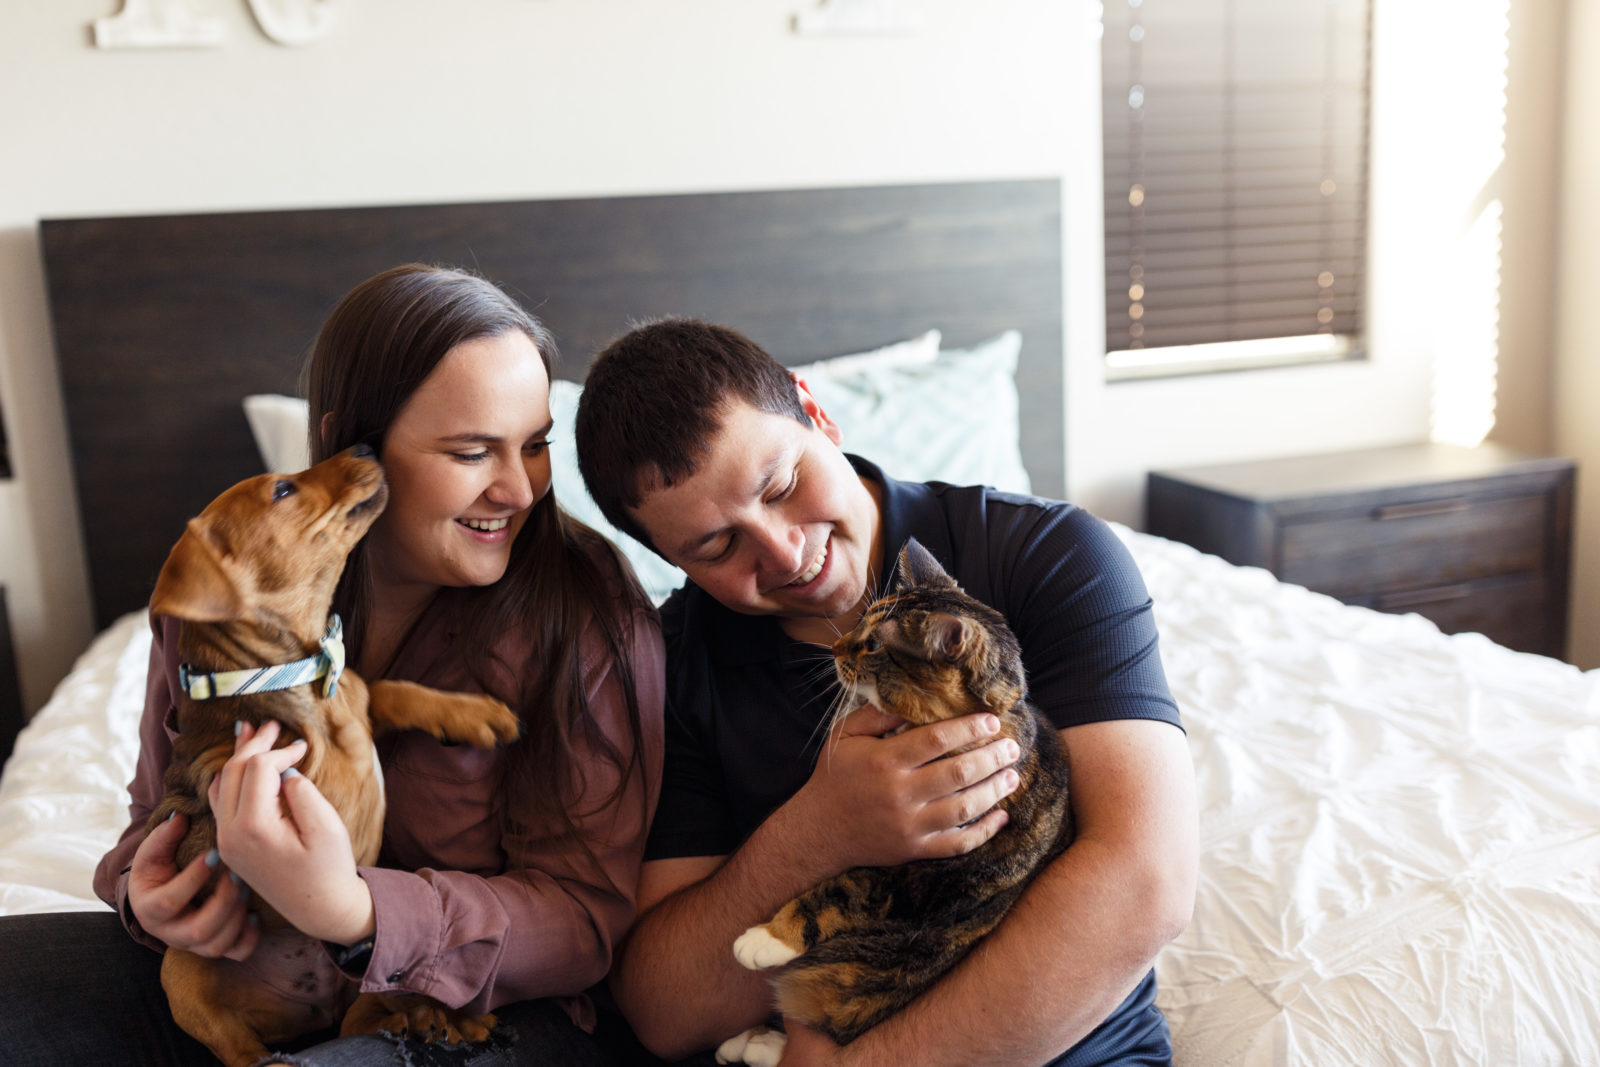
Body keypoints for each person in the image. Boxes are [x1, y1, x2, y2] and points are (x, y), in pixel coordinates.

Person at [0, 264, 664, 1066]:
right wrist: (149, 893)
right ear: (353, 440)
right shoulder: (235, 572)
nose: (520, 489)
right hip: (242, 972)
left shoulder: (587, 613)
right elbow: (153, 811)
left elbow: (586, 921)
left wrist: (358, 913)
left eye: (535, 444)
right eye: (471, 451)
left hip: (480, 1007)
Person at [574, 319, 1199, 1066]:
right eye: (715, 546)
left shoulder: (1049, 554)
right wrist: (818, 834)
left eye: (781, 484)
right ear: (670, 560)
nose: (782, 551)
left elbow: (1146, 885)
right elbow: (664, 1010)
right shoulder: (672, 662)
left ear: (818, 411)